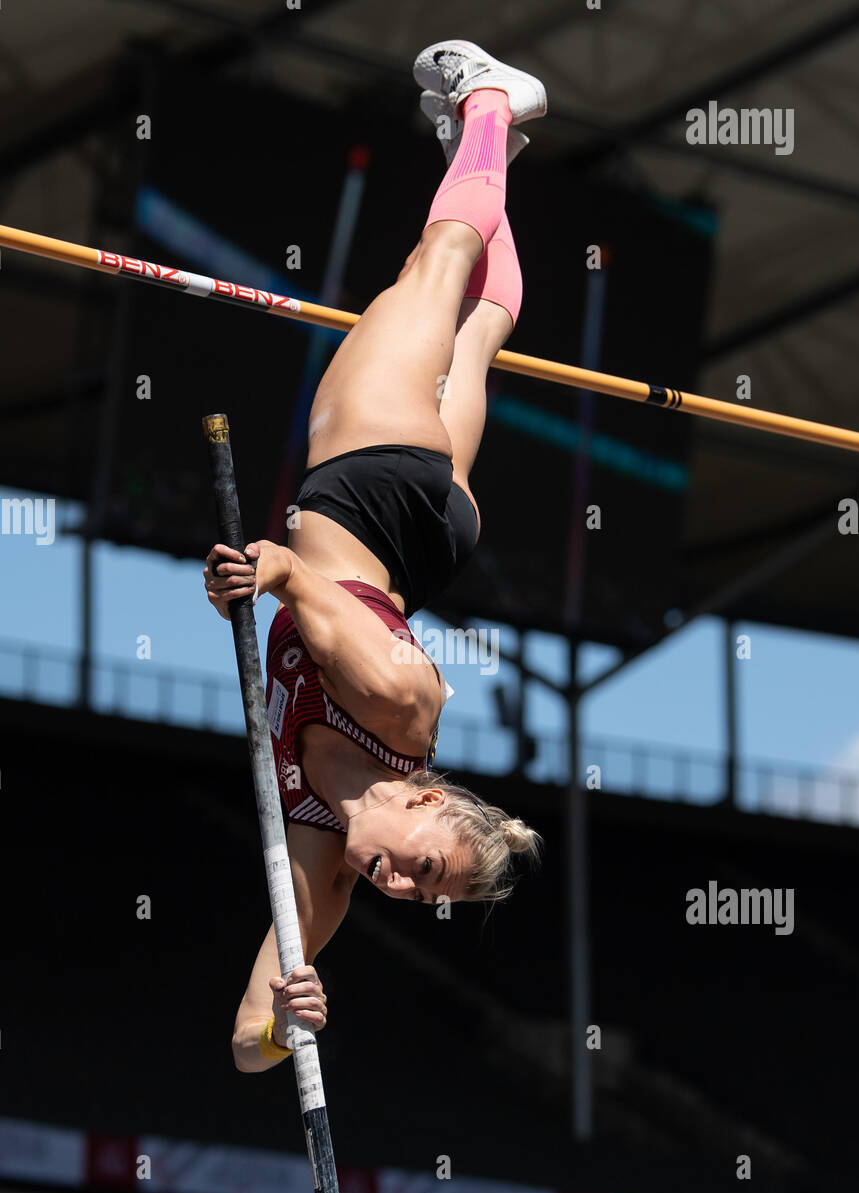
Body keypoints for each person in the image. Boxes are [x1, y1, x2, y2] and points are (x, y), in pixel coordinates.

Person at [203, 42, 546, 1071]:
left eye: (419, 893)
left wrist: (284, 1015)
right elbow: (299, 581)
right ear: (429, 798)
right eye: (426, 870)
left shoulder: (321, 855)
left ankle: (489, 154)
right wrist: (265, 572)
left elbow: (246, 1047)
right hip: (371, 475)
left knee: (475, 333)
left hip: (416, 539)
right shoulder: (405, 705)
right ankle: (493, 100)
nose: (400, 888)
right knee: (430, 274)